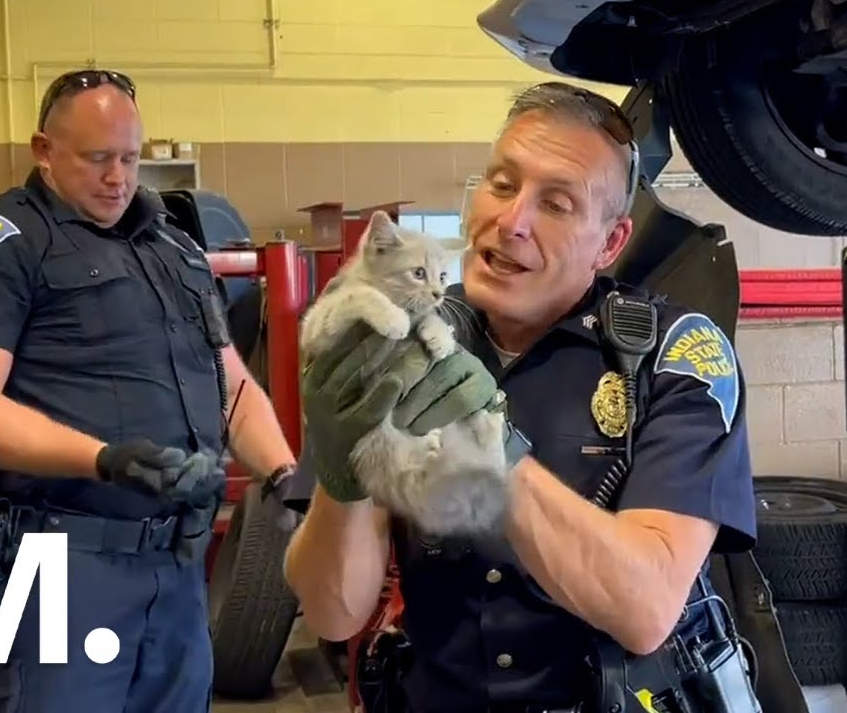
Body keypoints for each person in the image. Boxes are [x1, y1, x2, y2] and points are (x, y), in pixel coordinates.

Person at [284, 81, 761, 712]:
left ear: (610, 243)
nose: (511, 223)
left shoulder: (673, 356)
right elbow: (333, 613)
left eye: (556, 204)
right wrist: (341, 483)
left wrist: (493, 455)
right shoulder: (396, 344)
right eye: (502, 185)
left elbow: (645, 611)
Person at [0, 69, 297, 712]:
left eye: (128, 157)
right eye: (97, 159)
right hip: (44, 566)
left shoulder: (175, 250)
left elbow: (228, 382)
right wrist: (102, 459)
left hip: (173, 568)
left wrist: (285, 471)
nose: (118, 177)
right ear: (43, 150)